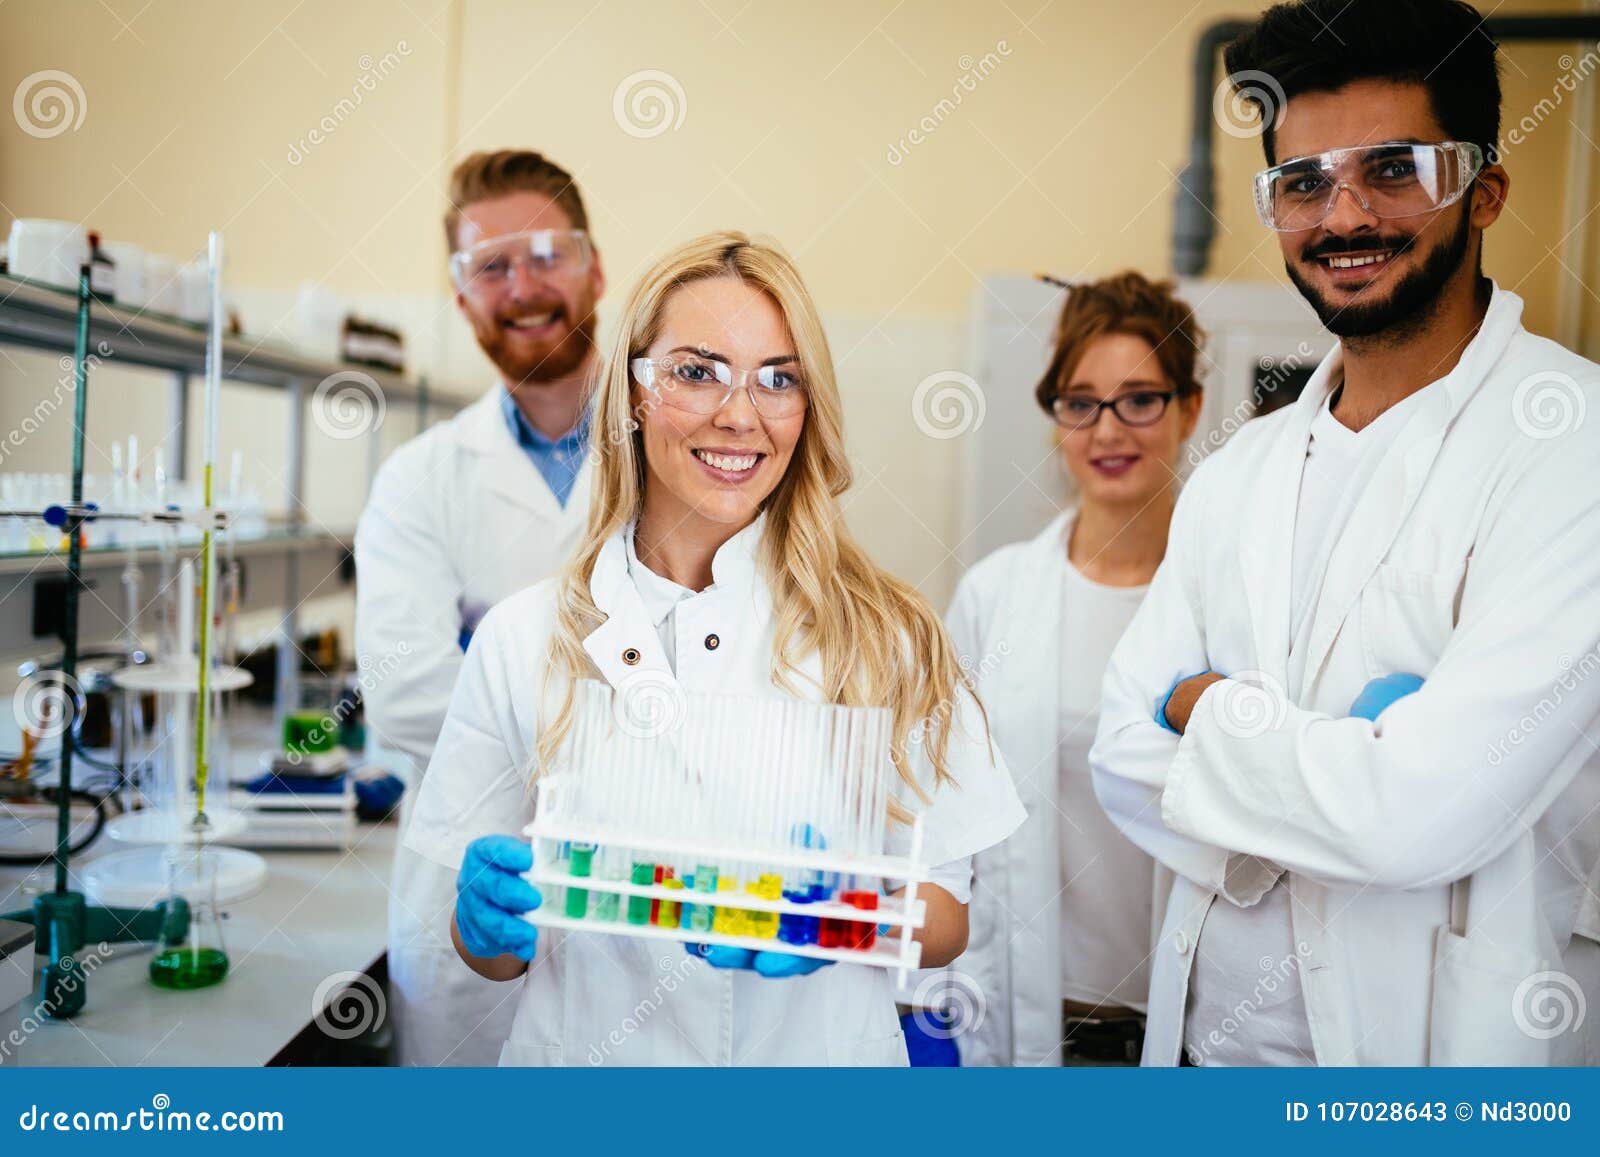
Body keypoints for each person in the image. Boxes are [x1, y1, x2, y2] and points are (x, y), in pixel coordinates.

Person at [1090, 0, 1600, 1066]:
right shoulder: (1239, 469)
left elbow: (1417, 812)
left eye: (1393, 169)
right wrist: (1343, 767)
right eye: (1303, 183)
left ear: (1483, 189)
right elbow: (1122, 754)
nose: (1344, 215)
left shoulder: (1569, 448)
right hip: (1203, 1064)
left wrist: (1206, 709)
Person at [400, 231, 1026, 1066]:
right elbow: (488, 948)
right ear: (633, 392)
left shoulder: (895, 638)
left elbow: (949, 913)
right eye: (697, 372)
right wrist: (483, 918)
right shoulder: (525, 637)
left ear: (807, 408)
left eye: (779, 378)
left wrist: (850, 913)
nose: (740, 413)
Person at [355, 149, 605, 1066]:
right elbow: (404, 692)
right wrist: (625, 703)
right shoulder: (421, 480)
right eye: (490, 266)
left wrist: (489, 661)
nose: (523, 286)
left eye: (547, 253)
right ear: (462, 299)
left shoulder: (686, 443)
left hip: (644, 901)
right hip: (467, 884)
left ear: (597, 268)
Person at [936, 272, 1202, 1066]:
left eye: (1140, 398)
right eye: (1080, 402)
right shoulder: (996, 595)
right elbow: (944, 819)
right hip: (1031, 1018)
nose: (1108, 428)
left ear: (1189, 408)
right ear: (1057, 419)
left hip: (1195, 1027)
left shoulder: (1233, 602)